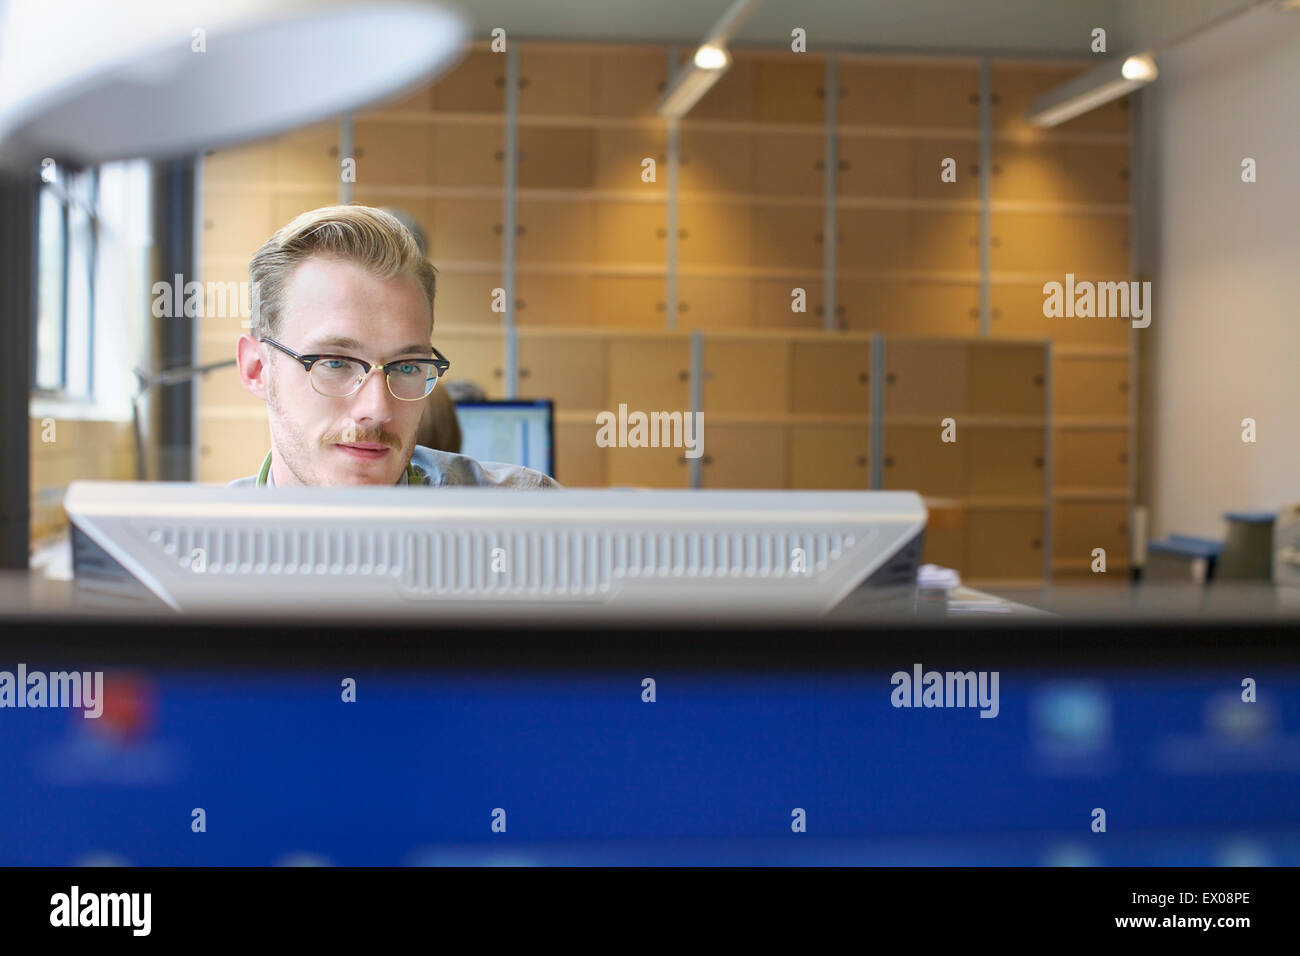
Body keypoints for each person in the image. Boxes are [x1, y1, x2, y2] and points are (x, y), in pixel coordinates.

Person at [227, 204, 557, 489]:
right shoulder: (195, 548)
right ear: (257, 369)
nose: (379, 409)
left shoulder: (529, 522)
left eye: (407, 366)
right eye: (336, 362)